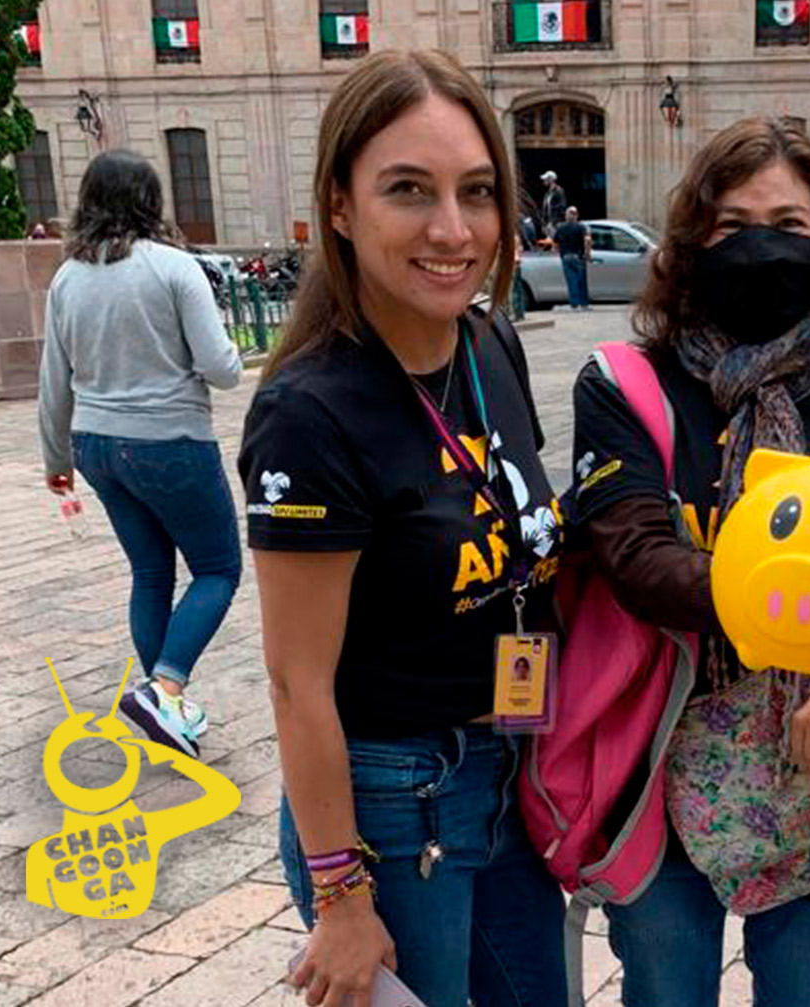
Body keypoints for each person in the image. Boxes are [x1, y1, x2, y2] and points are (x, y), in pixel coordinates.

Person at [569, 116, 810, 1007]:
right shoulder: (626, 387)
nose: (760, 249)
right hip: (657, 767)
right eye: (733, 226)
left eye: (788, 227)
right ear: (692, 246)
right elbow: (637, 558)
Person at [238, 50, 565, 1007]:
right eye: (408, 191)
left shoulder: (486, 340)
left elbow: (516, 515)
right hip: (395, 801)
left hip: (509, 768)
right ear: (339, 205)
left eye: (477, 192)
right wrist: (340, 892)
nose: (452, 229)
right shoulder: (313, 411)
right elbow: (296, 681)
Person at [37, 148, 243, 759]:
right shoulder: (175, 269)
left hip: (96, 446)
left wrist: (55, 459)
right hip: (170, 440)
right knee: (217, 569)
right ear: (152, 202)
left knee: (151, 572)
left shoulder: (67, 278)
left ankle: (163, 707)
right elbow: (221, 368)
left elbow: (54, 379)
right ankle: (166, 687)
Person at [554, 206, 592, 311]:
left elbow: (555, 243)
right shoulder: (581, 227)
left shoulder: (560, 227)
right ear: (577, 216)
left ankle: (575, 304)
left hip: (566, 256)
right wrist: (587, 253)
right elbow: (587, 239)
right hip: (578, 256)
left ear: (566, 216)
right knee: (581, 280)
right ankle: (584, 303)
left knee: (571, 280)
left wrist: (560, 253)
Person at [540, 169, 567, 237]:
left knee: (555, 242)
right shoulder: (547, 193)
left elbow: (562, 207)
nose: (544, 182)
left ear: (551, 180)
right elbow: (545, 209)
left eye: (546, 180)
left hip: (555, 224)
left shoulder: (559, 191)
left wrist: (554, 222)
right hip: (548, 224)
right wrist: (544, 224)